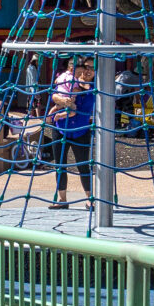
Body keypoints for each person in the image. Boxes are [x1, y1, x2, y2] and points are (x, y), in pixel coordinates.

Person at [47, 58, 97, 208]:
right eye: (86, 67)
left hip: (80, 130)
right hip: (60, 129)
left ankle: (90, 199)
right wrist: (60, 103)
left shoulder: (93, 88)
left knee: (83, 165)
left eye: (92, 68)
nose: (88, 71)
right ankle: (62, 199)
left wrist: (62, 108)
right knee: (60, 164)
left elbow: (84, 109)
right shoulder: (67, 81)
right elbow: (54, 95)